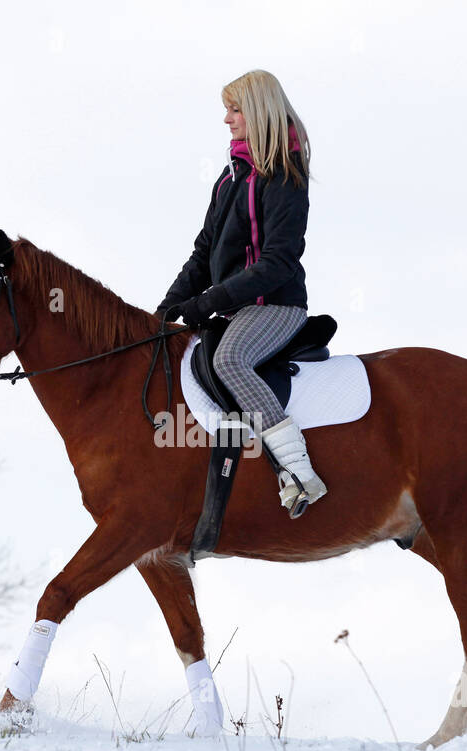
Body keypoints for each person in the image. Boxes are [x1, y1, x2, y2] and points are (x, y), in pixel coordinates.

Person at [158, 69, 326, 514]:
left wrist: (209, 302)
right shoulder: (229, 177)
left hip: (276, 305)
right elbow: (204, 252)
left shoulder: (285, 176)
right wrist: (168, 309)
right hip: (234, 309)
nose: (227, 120)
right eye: (226, 110)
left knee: (229, 359)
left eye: (234, 110)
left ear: (257, 112)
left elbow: (277, 263)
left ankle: (297, 473)